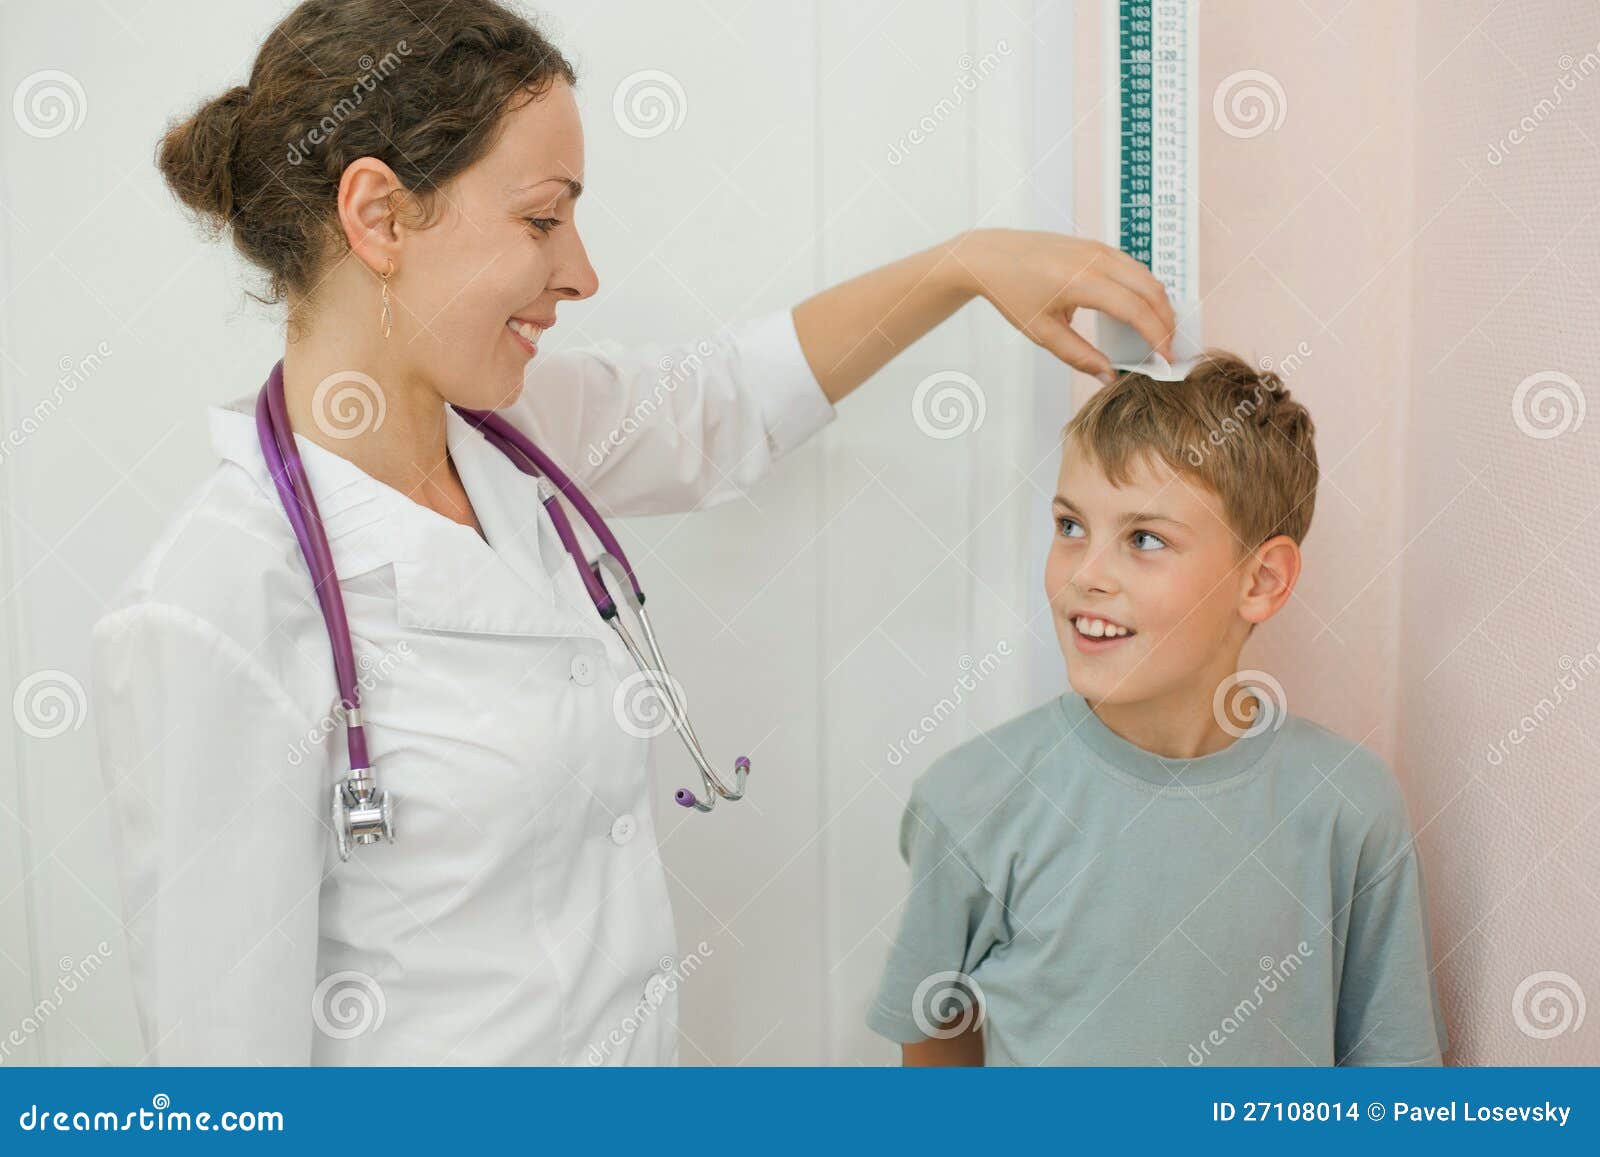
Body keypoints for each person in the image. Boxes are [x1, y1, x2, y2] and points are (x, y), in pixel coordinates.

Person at [91, 0, 1175, 1064]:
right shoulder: (216, 605)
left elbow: (728, 399)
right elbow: (223, 1088)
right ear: (377, 215)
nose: (581, 271)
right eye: (540, 218)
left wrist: (962, 264)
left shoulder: (514, 433)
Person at [866, 353, 1451, 1065]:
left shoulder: (1349, 807)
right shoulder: (970, 800)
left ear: (1262, 579)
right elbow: (934, 1058)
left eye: (1144, 539)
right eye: (1070, 525)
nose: (1085, 573)